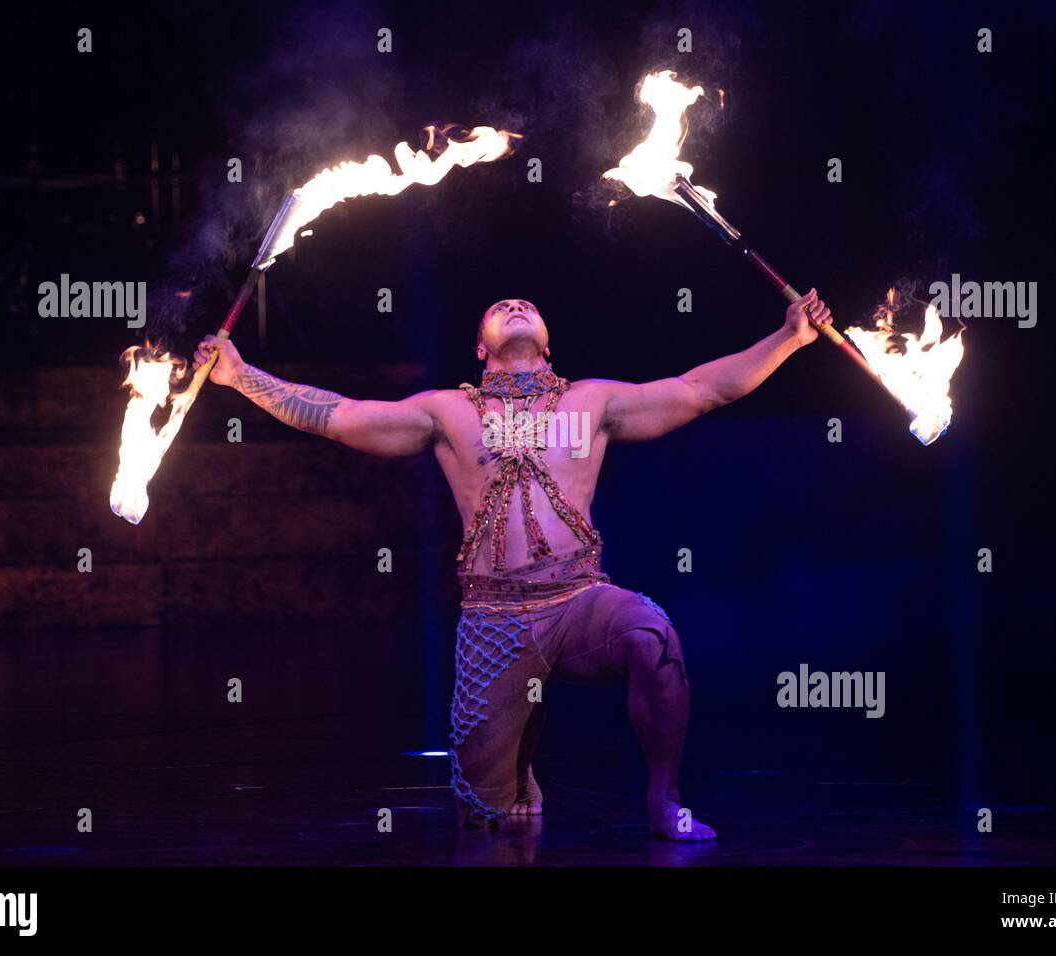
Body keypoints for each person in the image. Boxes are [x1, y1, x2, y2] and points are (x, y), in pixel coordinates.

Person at [194, 290, 833, 840]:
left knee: (654, 635)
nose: (516, 305)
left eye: (527, 306)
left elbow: (702, 389)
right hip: (492, 619)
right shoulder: (446, 411)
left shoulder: (593, 402)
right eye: (500, 308)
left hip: (581, 602)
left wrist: (789, 336)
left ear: (548, 345)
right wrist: (240, 375)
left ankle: (664, 800)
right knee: (495, 816)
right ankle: (516, 762)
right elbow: (342, 417)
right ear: (481, 347)